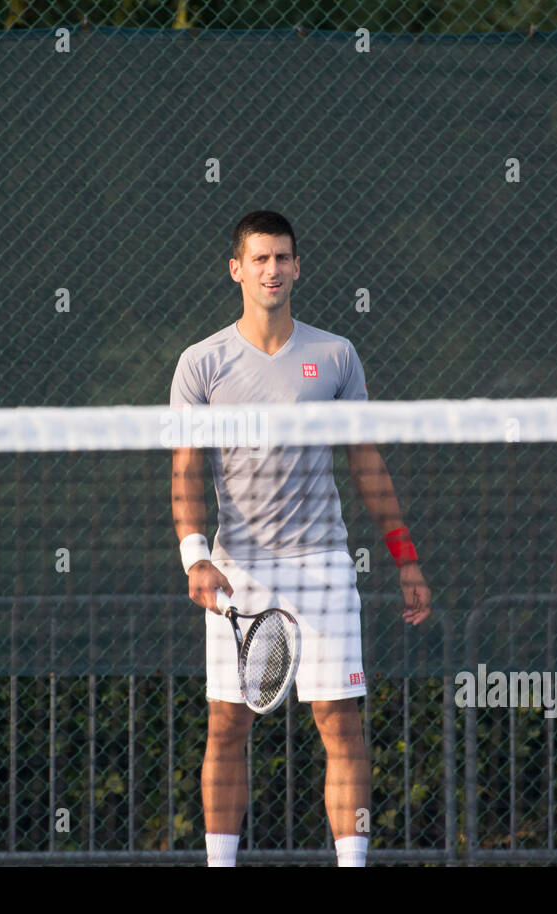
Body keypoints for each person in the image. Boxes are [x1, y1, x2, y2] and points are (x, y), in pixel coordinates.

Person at [170, 210, 431, 867]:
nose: (272, 270)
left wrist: (404, 555)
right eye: (259, 259)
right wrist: (195, 559)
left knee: (340, 722)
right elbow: (185, 469)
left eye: (283, 258)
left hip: (322, 565)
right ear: (237, 269)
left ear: (297, 267)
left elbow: (364, 458)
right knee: (227, 725)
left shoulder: (335, 355)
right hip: (238, 570)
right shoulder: (201, 364)